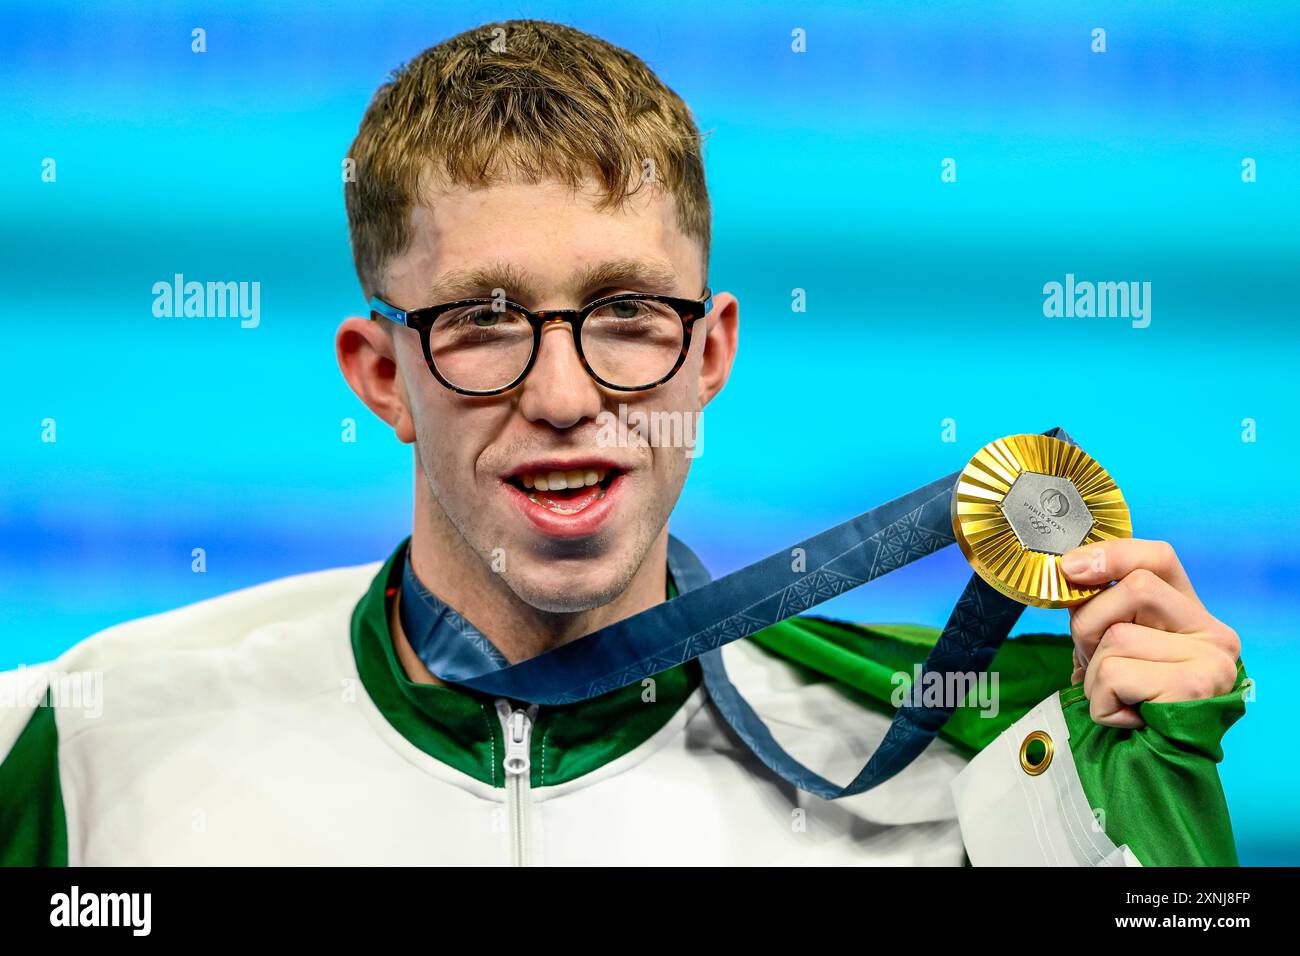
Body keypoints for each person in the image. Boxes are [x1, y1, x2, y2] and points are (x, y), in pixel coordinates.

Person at [0, 18, 1246, 866]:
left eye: (626, 313)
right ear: (381, 373)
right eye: (483, 320)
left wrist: (1149, 806)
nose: (562, 392)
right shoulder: (92, 749)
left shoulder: (959, 781)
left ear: (707, 354)